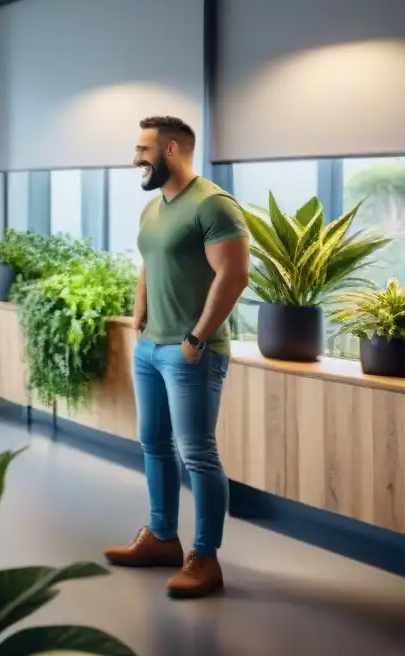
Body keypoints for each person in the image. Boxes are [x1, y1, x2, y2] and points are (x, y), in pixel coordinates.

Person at [103, 116, 249, 599]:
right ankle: (163, 538)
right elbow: (150, 258)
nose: (136, 158)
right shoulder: (155, 206)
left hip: (191, 352)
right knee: (153, 444)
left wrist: (197, 337)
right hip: (150, 346)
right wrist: (139, 309)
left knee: (198, 454)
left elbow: (233, 276)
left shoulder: (213, 205)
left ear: (170, 149)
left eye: (143, 149)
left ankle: (205, 558)